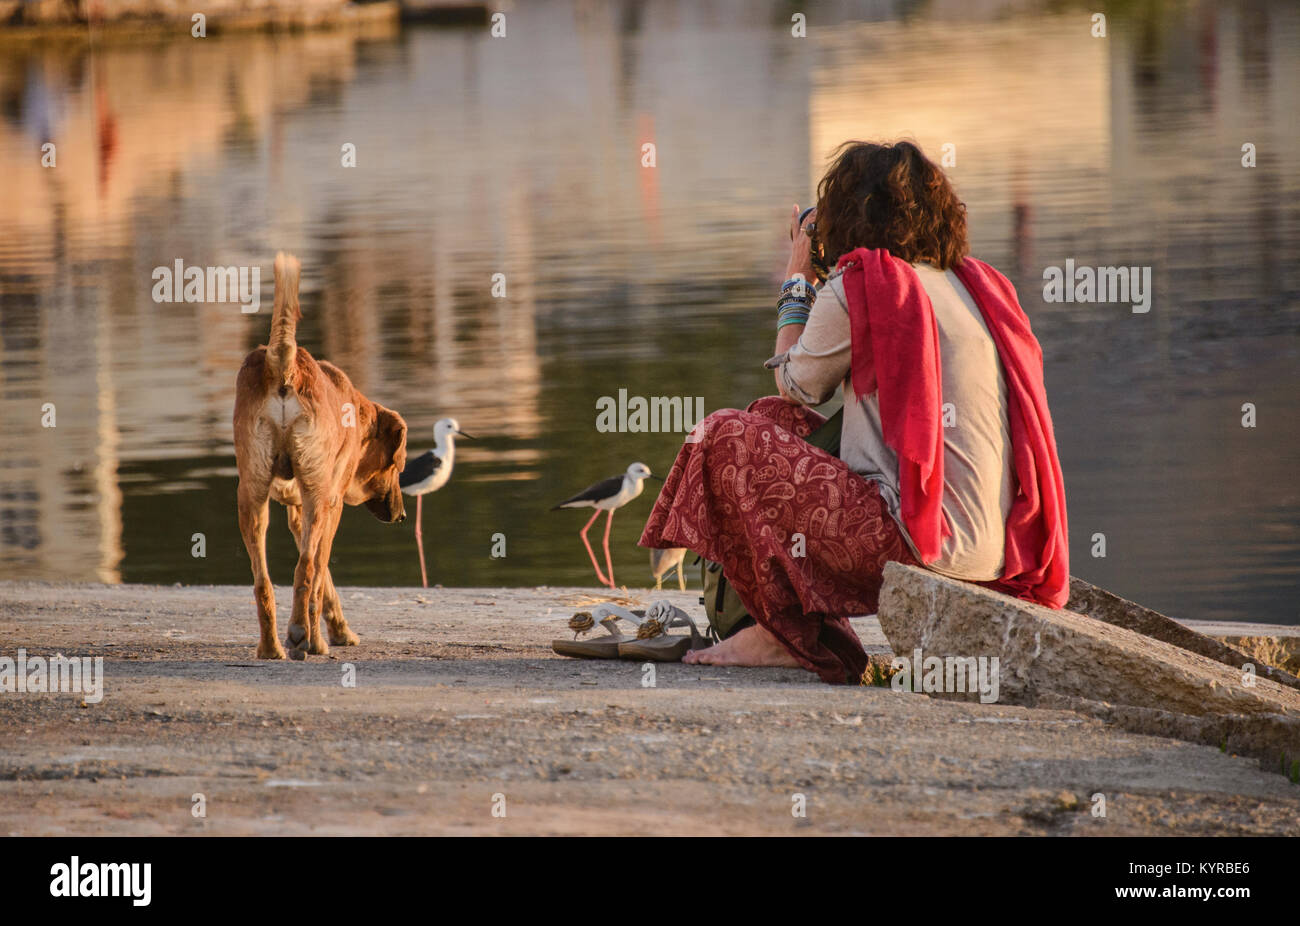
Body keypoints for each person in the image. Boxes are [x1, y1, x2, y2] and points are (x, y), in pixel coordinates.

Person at [639, 140, 1069, 684]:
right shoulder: (970, 286)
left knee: (724, 434)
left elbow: (797, 382)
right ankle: (785, 625)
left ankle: (782, 636)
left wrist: (798, 278)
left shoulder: (863, 285)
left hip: (918, 544)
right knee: (772, 421)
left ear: (846, 217)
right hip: (998, 554)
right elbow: (792, 407)